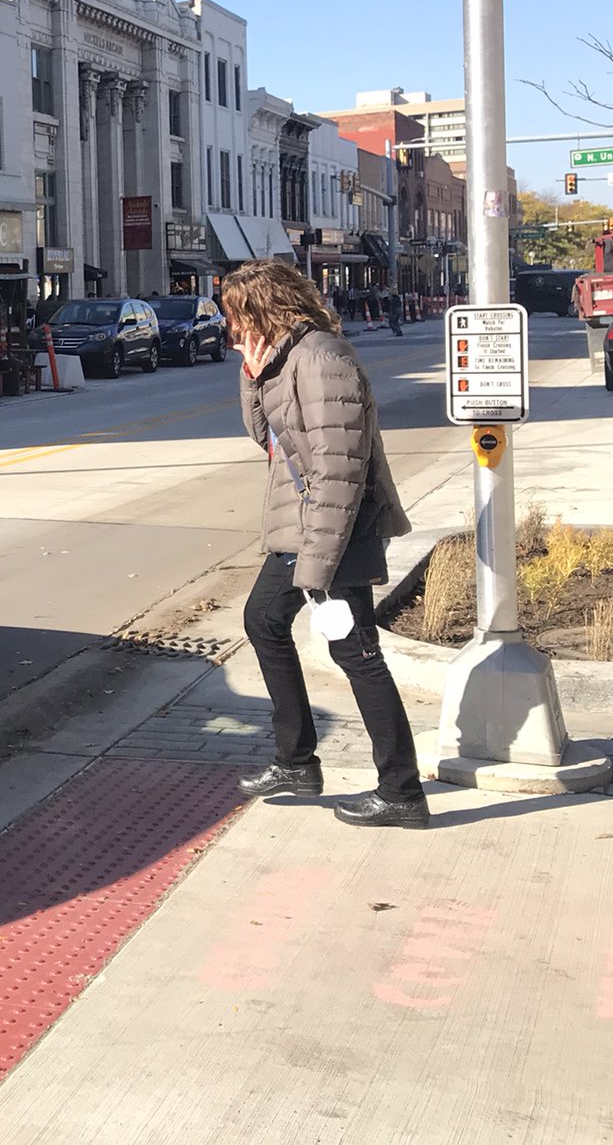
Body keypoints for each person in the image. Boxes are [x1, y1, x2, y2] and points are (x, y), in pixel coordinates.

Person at [223, 258, 428, 829]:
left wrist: (318, 563)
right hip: (305, 523)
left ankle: (401, 791)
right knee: (265, 620)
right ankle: (296, 762)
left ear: (264, 307)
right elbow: (267, 438)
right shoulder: (285, 359)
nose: (232, 327)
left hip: (334, 528)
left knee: (356, 653)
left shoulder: (320, 358)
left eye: (236, 314)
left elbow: (340, 469)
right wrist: (252, 376)